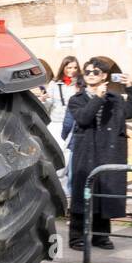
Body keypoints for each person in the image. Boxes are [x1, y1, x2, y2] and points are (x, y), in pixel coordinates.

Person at [67, 58, 132, 251]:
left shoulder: (114, 98)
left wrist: (130, 88)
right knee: (82, 194)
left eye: (95, 72)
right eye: (87, 72)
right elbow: (83, 118)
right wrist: (98, 98)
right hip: (86, 151)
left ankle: (101, 237)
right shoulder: (76, 99)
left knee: (104, 193)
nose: (91, 75)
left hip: (108, 151)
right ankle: (76, 238)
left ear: (104, 76)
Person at [47, 55, 83, 191]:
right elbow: (48, 107)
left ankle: (65, 190)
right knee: (54, 155)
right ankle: (54, 187)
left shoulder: (80, 84)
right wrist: (45, 100)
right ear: (64, 68)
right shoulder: (54, 84)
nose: (72, 70)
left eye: (75, 67)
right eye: (69, 67)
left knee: (67, 157)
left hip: (72, 124)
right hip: (55, 124)